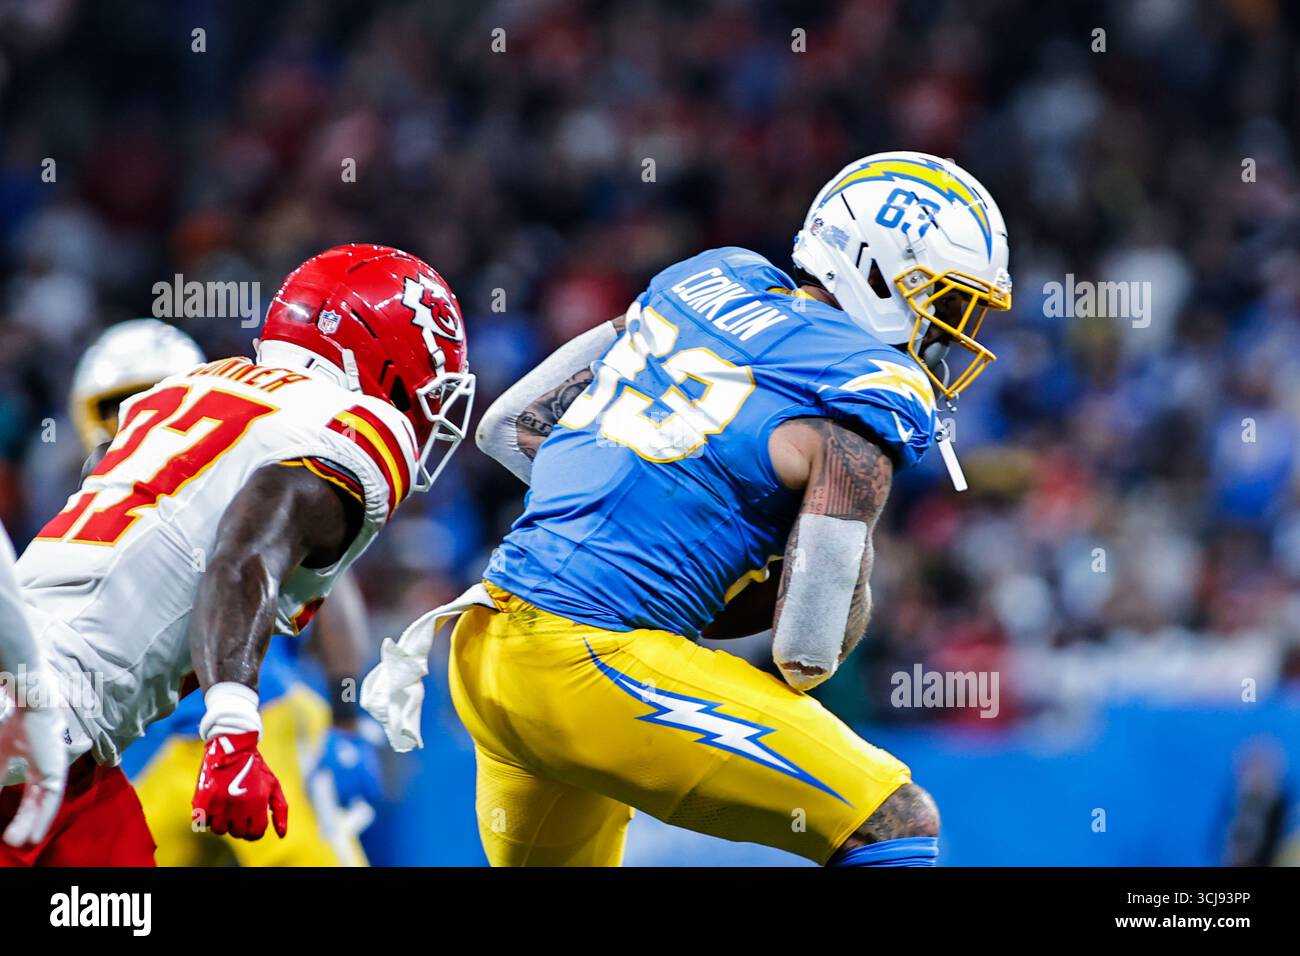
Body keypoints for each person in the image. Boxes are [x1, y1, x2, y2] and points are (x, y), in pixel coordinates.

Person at [363, 152, 1011, 866]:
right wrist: (846, 566)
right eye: (946, 303)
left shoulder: (711, 282)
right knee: (895, 820)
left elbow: (508, 424)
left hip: (485, 644)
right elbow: (805, 654)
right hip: (594, 662)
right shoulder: (867, 390)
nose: (951, 331)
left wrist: (633, 503)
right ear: (878, 270)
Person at [0, 244, 473, 865]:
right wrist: (233, 731)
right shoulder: (356, 431)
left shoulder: (194, 385)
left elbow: (106, 481)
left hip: (63, 738)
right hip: (47, 728)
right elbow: (242, 553)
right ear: (385, 360)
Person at [68, 318, 383, 866]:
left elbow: (337, 597)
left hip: (265, 723)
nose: (131, 419)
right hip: (171, 747)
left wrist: (348, 717)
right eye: (115, 405)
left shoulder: (249, 478)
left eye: (148, 395)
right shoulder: (98, 500)